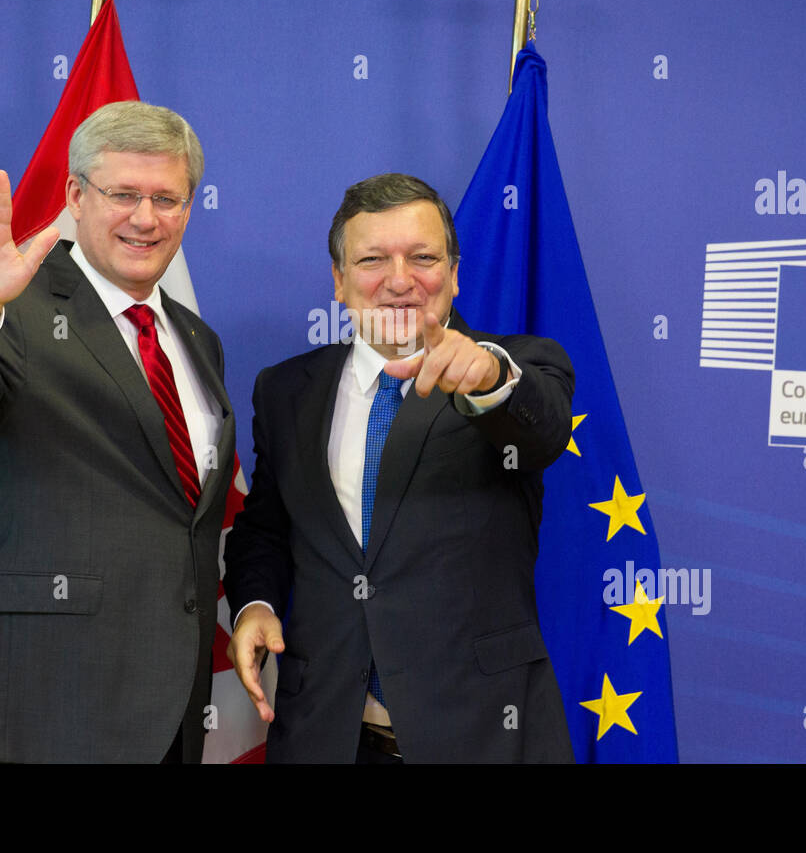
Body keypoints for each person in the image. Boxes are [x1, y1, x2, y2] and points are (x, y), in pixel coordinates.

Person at [0, 101, 235, 763]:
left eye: (167, 198)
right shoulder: (13, 305)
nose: (145, 217)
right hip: (32, 710)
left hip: (166, 718)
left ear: (189, 209)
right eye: (123, 194)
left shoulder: (197, 341)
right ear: (76, 196)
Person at [223, 173, 575, 762]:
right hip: (324, 735)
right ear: (338, 281)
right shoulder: (285, 390)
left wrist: (489, 379)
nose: (398, 280)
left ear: (455, 273)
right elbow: (268, 527)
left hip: (484, 735)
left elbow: (541, 430)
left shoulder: (515, 367)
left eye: (422, 257)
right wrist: (255, 604)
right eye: (371, 260)